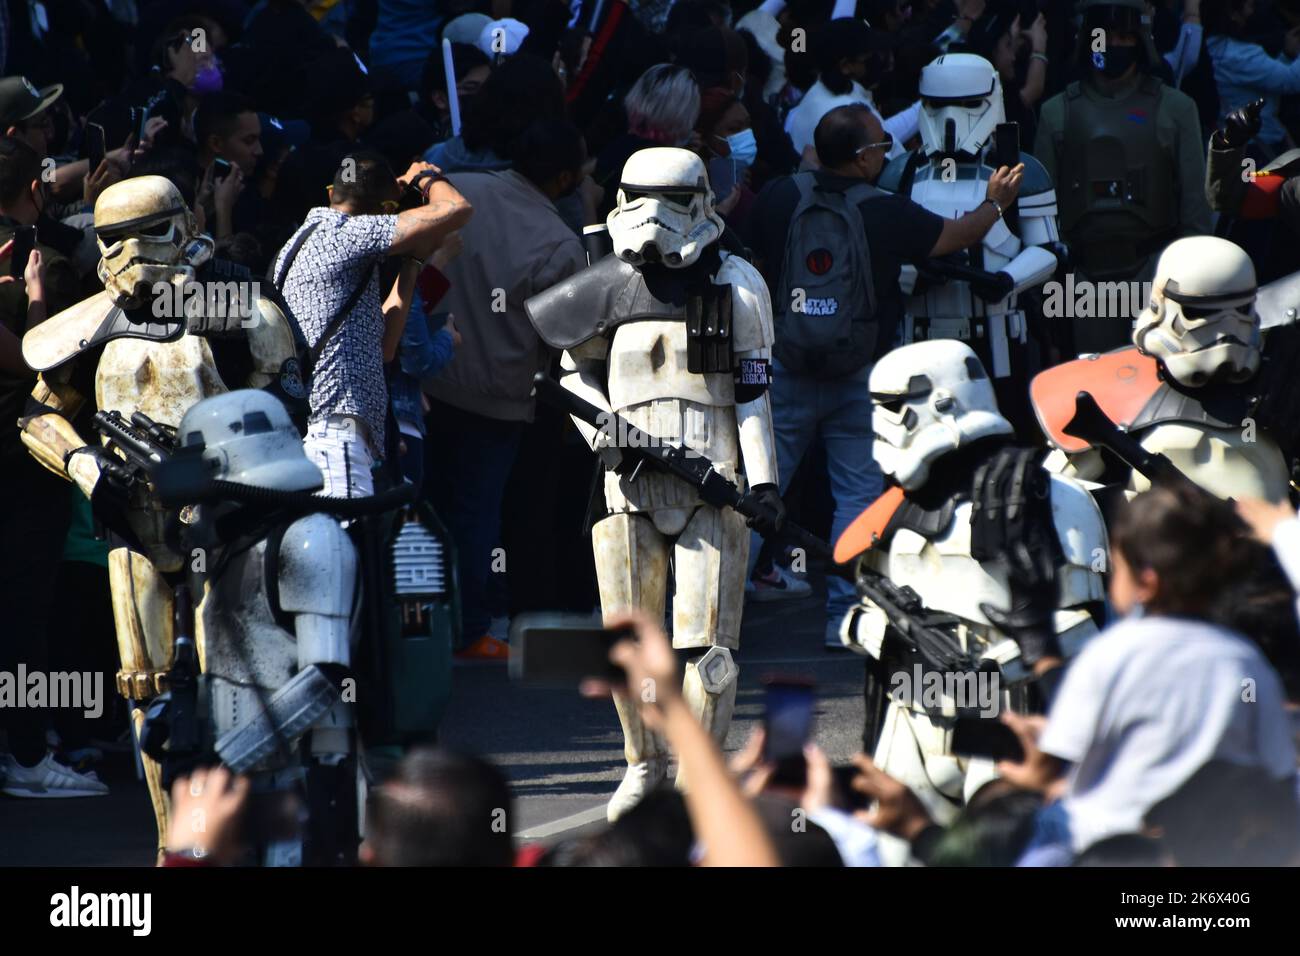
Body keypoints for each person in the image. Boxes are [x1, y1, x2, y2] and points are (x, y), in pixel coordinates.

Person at [527, 145, 781, 820]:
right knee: (629, 640)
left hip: (714, 481)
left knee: (710, 650)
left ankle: (700, 778)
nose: (655, 220)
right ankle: (644, 764)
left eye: (670, 203)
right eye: (643, 199)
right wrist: (607, 433)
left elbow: (753, 394)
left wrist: (765, 483)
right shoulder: (605, 283)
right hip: (627, 484)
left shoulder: (736, 285)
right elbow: (570, 373)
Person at [743, 103, 1022, 644]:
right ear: (861, 159)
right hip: (859, 376)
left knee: (759, 488)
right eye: (880, 146)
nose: (887, 152)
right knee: (857, 497)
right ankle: (845, 619)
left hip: (783, 366)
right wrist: (996, 201)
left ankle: (720, 611)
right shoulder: (885, 210)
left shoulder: (780, 196)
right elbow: (958, 237)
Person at [836, 340, 1107, 864]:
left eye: (894, 406)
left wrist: (989, 669)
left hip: (1009, 718)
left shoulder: (1050, 498)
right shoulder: (894, 513)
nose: (883, 423)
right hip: (912, 714)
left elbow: (1083, 630)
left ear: (941, 402)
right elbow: (866, 609)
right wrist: (875, 634)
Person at [996, 484, 1297, 858]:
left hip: (1108, 852)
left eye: (1117, 565)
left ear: (1147, 582)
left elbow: (1056, 760)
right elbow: (1280, 771)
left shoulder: (1110, 653)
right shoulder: (1245, 661)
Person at [423, 119, 588, 660]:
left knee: (425, 508)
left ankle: (421, 625)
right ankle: (470, 630)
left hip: (425, 379)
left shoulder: (461, 188)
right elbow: (562, 337)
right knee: (476, 515)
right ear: (564, 176)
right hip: (496, 397)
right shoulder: (559, 243)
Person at [1032, 235, 1295, 504]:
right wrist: (1120, 506)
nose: (1225, 332)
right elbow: (1055, 502)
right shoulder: (1103, 394)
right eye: (1197, 312)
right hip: (1150, 542)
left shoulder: (1283, 383)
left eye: (1240, 309)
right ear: (1161, 306)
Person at [271, 151, 471, 498]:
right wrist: (425, 178)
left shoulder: (310, 240)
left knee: (352, 548)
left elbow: (385, 349)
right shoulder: (343, 235)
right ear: (384, 210)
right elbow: (456, 209)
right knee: (343, 549)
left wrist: (412, 263)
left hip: (329, 436)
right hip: (334, 436)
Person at [882, 52, 1060, 431]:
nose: (951, 117)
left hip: (998, 340)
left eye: (966, 104)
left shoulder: (1021, 172)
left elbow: (1047, 250)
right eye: (938, 104)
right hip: (918, 337)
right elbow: (879, 255)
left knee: (1003, 436)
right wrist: (912, 276)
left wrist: (1007, 280)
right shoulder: (901, 173)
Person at [1033, 0, 1213, 355]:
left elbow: (1196, 209)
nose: (1112, 46)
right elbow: (1042, 219)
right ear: (1087, 39)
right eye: (1102, 37)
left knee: (1159, 388)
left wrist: (1190, 285)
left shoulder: (1176, 109)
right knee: (1091, 390)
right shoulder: (1056, 113)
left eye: (1124, 37)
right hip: (1085, 282)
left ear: (1141, 41)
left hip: (1155, 275)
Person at [783, 18, 918, 162]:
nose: (878, 59)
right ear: (846, 65)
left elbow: (883, 134)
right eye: (870, 56)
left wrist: (927, 105)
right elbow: (887, 165)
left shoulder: (821, 91)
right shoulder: (845, 114)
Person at [1203, 0, 1300, 162]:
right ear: (1232, 13)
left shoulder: (1215, 47)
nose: (1252, 10)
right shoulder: (1238, 55)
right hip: (1257, 148)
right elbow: (1292, 81)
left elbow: (1269, 80)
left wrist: (1287, 55)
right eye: (1248, 5)